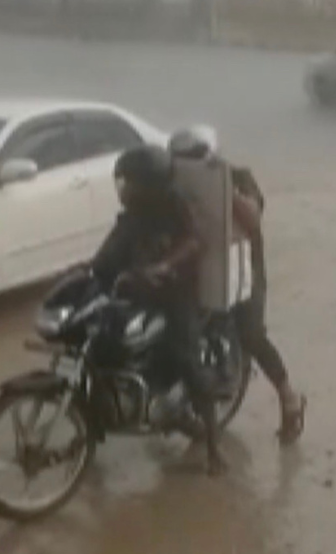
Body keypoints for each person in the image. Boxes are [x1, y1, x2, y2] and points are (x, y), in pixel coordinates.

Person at [88, 143, 225, 475]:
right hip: (137, 285)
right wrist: (92, 268)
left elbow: (196, 240)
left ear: (150, 183)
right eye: (122, 182)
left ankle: (213, 448)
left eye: (131, 182)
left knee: (186, 358)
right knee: (98, 344)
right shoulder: (136, 207)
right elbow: (118, 238)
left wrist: (164, 266)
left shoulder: (175, 203)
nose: (125, 189)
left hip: (175, 290)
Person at [168, 125, 308, 444]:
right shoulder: (175, 181)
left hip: (243, 269)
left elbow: (253, 218)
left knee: (252, 334)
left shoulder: (238, 177)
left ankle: (289, 398)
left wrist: (222, 189)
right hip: (199, 263)